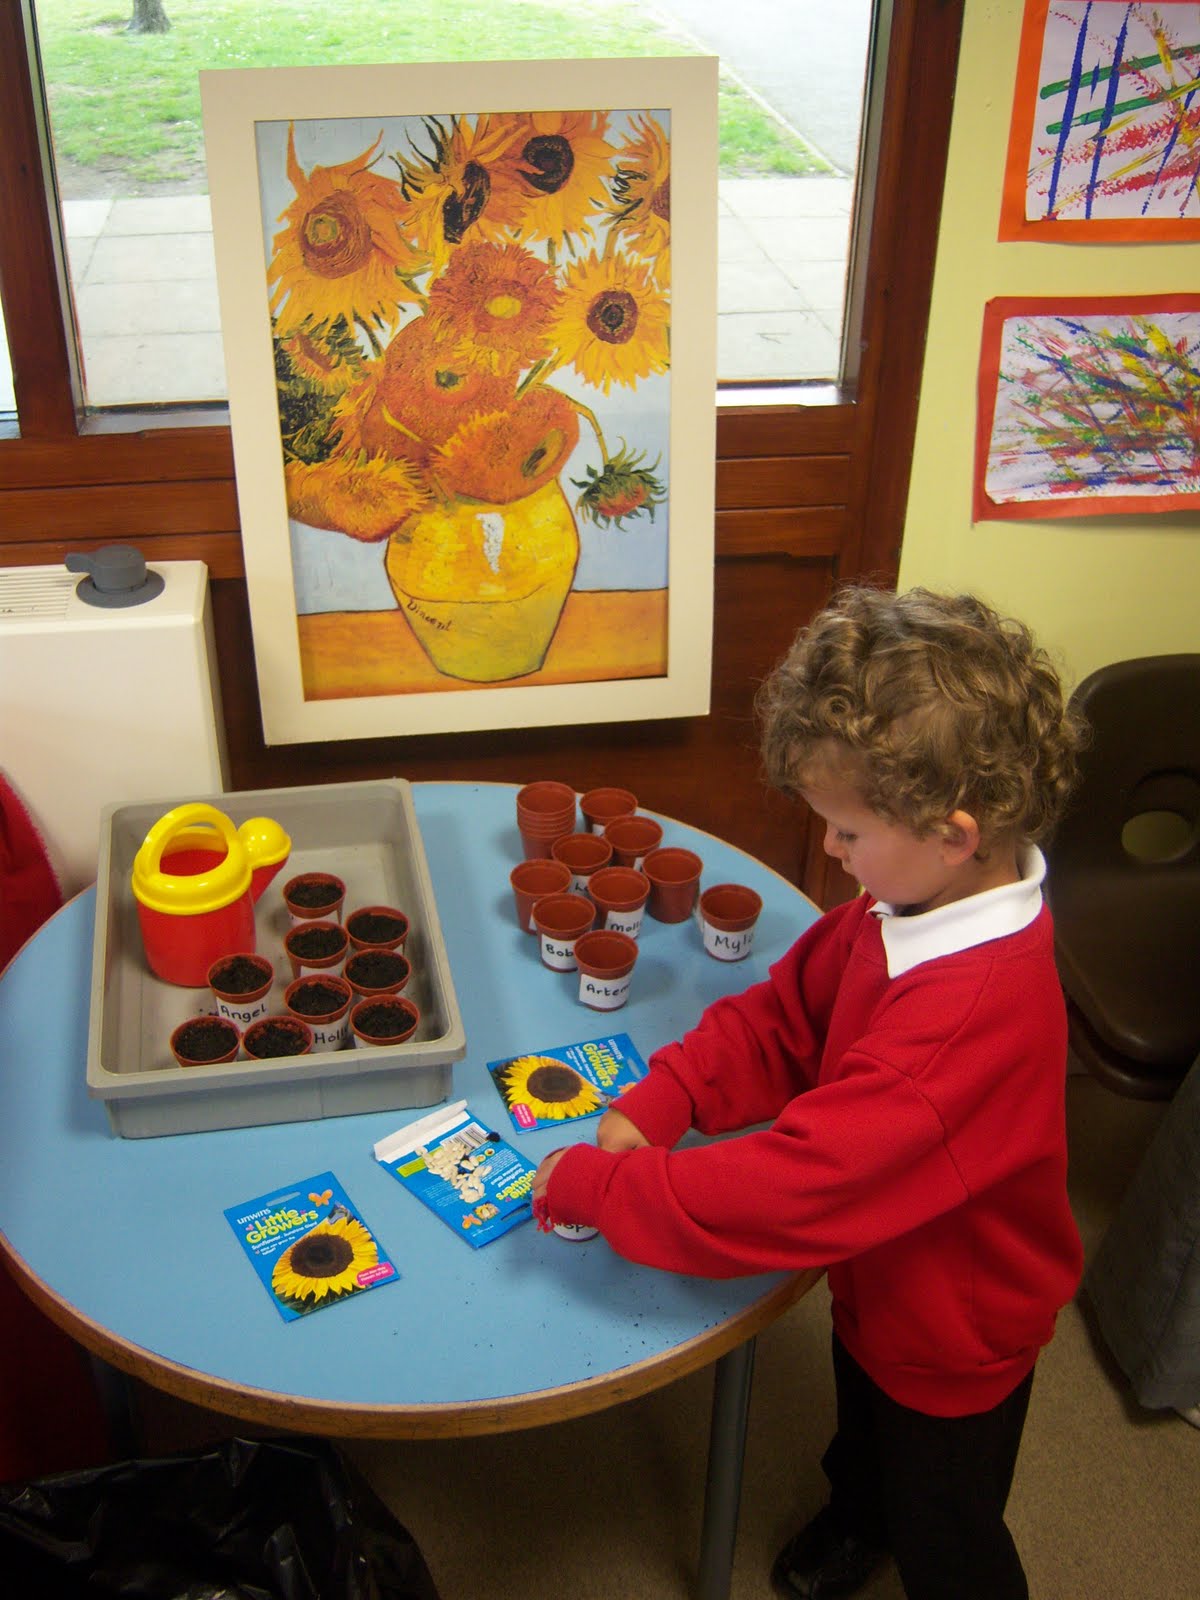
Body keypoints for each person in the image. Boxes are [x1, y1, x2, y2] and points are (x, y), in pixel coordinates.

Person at [532, 586, 1088, 1600]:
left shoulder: (966, 1019)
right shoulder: (902, 902)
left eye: (847, 830)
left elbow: (794, 1187)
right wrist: (667, 1097)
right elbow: (787, 1016)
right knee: (865, 1437)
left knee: (948, 1529)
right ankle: (855, 1516)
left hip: (956, 1335)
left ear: (955, 832)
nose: (830, 851)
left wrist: (605, 1190)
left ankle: (905, 1537)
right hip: (879, 1275)